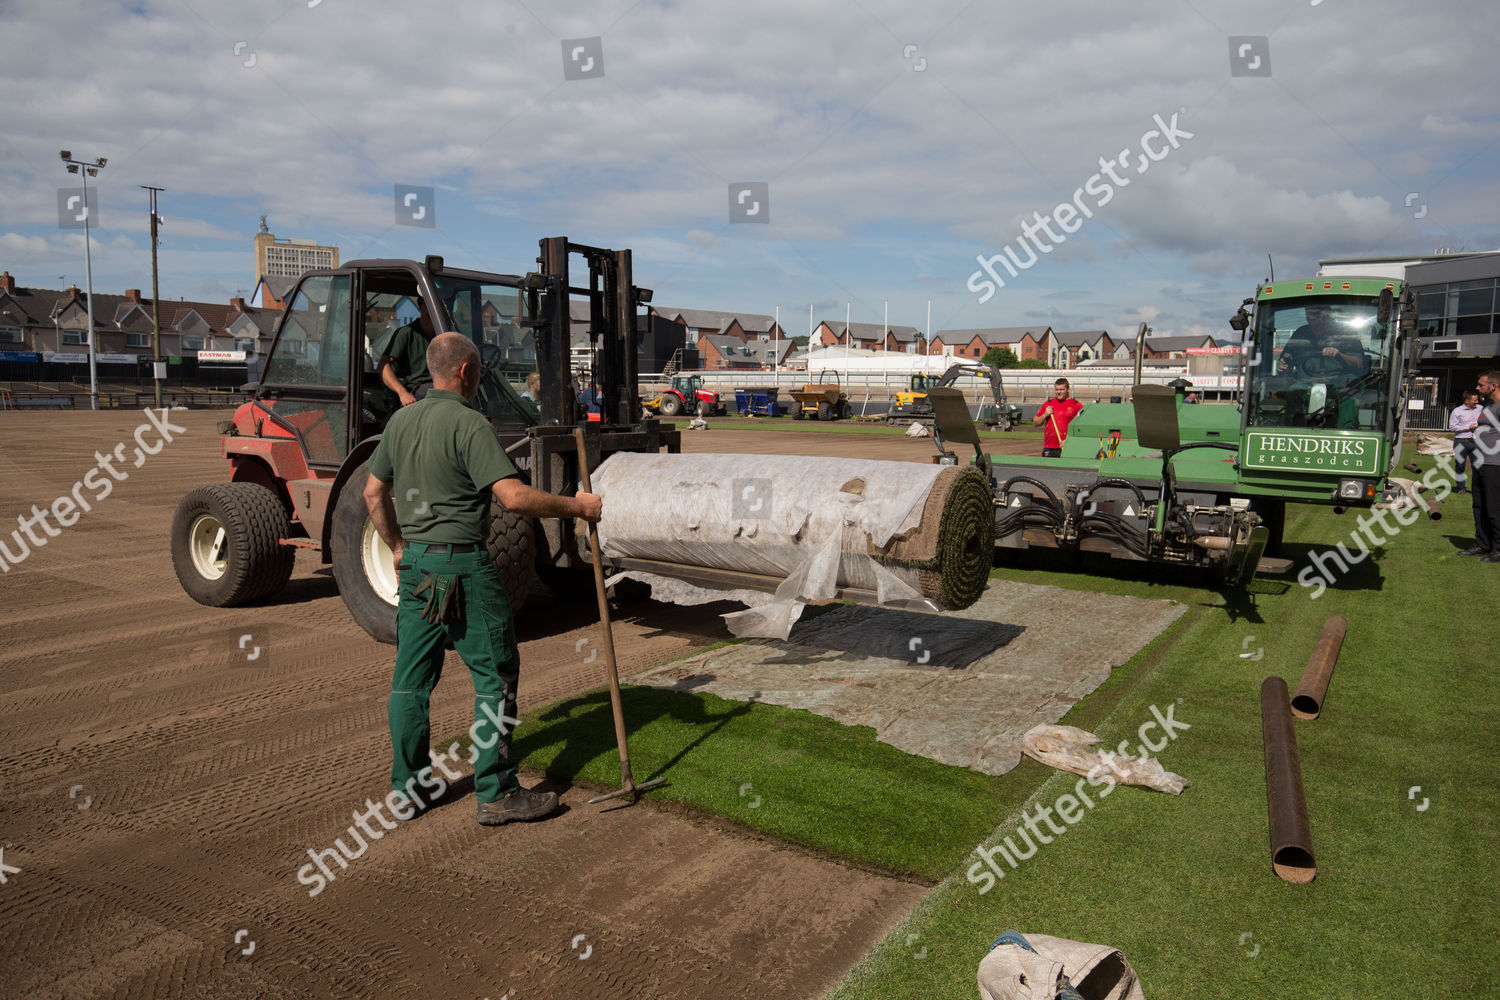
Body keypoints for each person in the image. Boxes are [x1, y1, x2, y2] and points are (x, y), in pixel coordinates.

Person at [363, 333, 604, 824]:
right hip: (464, 566)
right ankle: (496, 793)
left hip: (416, 569)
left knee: (410, 683)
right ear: (467, 373)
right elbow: (514, 499)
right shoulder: (471, 425)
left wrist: (397, 547)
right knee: (495, 679)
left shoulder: (401, 421)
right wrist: (577, 507)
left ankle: (409, 791)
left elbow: (372, 493)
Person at [1458, 370, 1500, 562]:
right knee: (1479, 506)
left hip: (1495, 465)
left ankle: (1498, 549)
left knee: (1494, 508)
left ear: (1493, 386)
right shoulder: (1488, 406)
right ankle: (1483, 544)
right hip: (1480, 463)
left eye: (1481, 385)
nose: (1477, 388)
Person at [1277, 304, 1367, 377]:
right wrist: (1283, 366)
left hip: (1341, 390)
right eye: (1308, 311)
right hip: (1304, 389)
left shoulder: (1346, 332)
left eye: (1316, 311)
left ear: (1327, 313)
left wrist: (1340, 355)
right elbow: (1286, 361)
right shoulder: (1300, 334)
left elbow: (1359, 364)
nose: (1311, 315)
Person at [378, 309, 437, 407]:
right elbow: (383, 366)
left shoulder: (444, 334)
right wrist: (403, 393)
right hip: (417, 390)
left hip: (440, 388)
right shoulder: (406, 333)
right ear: (422, 305)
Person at [1033, 378, 1083, 457]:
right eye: (1056, 390)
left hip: (1067, 446)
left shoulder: (1076, 405)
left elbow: (1081, 428)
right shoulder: (1048, 403)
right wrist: (1045, 414)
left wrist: (1069, 441)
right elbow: (1036, 423)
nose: (1058, 392)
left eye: (1061, 389)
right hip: (1049, 447)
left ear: (1068, 389)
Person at [1450, 390, 1483, 495]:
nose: (1477, 402)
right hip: (1461, 442)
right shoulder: (1457, 411)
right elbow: (1452, 427)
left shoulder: (1481, 409)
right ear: (1467, 401)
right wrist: (1468, 427)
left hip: (1476, 442)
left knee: (1477, 467)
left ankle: (1477, 489)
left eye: (1477, 399)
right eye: (1474, 400)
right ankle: (1461, 488)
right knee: (1460, 466)